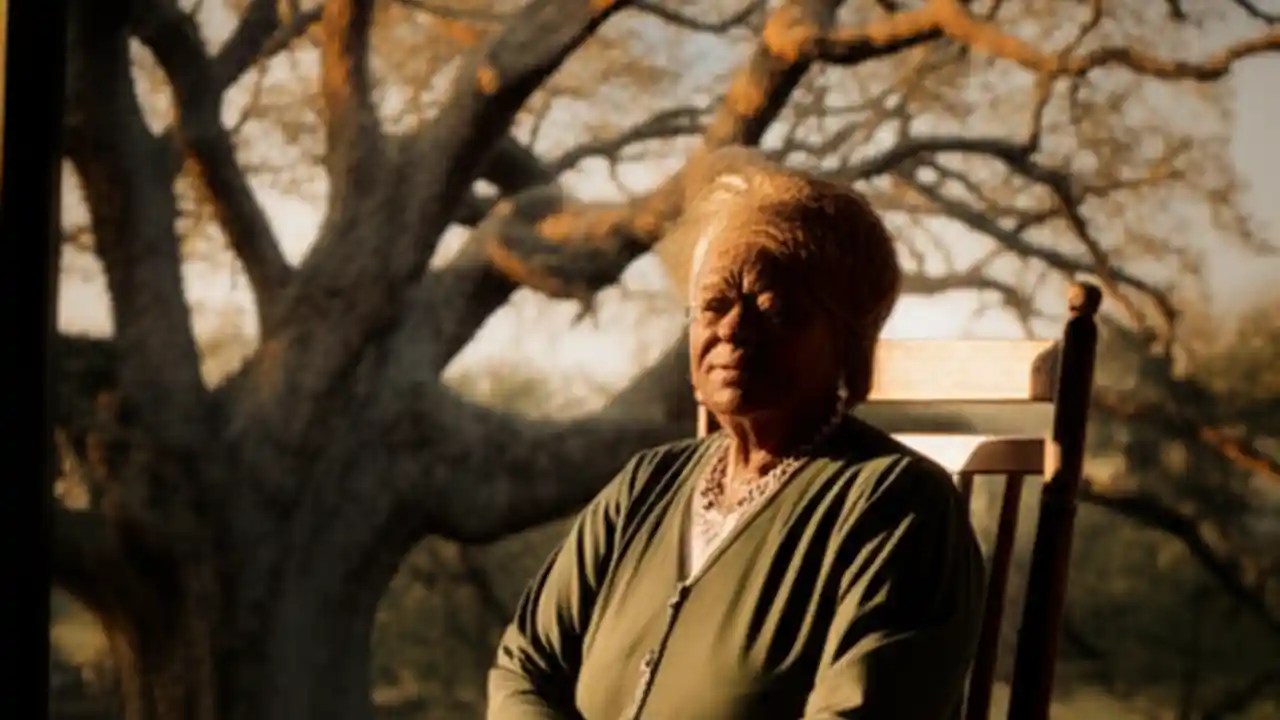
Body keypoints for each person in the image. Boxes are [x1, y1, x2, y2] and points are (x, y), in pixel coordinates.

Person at [486, 146, 986, 720]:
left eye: (773, 310)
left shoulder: (898, 509)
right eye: (714, 304)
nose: (732, 330)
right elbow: (526, 665)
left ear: (847, 343)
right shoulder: (644, 488)